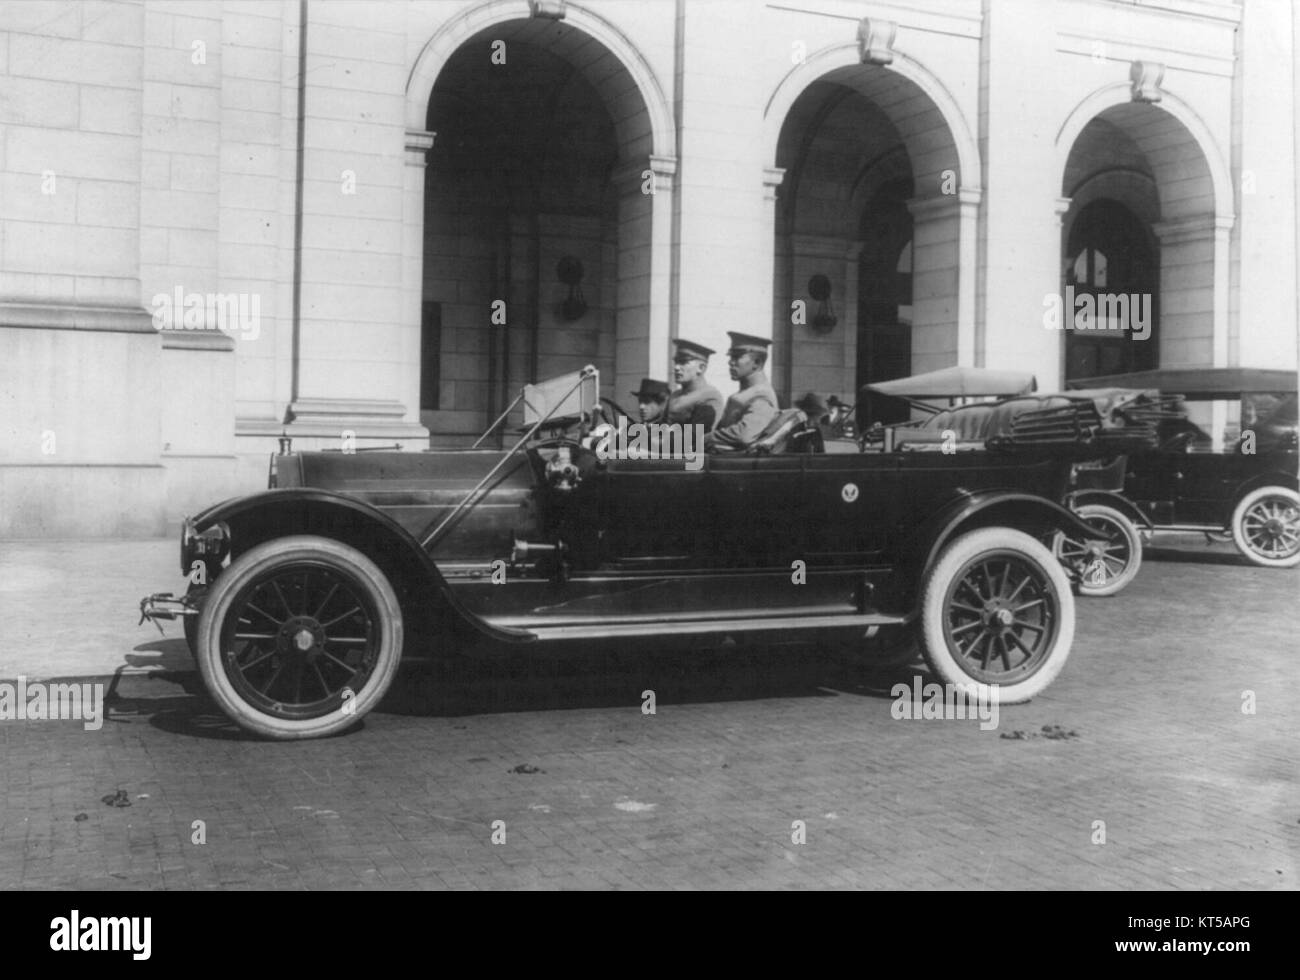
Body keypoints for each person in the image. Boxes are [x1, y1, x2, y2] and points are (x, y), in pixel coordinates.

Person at [705, 332, 779, 453]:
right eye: (731, 357)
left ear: (757, 363)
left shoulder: (762, 395)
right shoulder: (747, 394)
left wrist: (705, 439)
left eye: (736, 357)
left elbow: (744, 435)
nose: (730, 362)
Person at [666, 338, 724, 431]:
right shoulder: (675, 395)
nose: (676, 367)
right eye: (676, 362)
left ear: (701, 368)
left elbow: (695, 436)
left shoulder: (710, 397)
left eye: (683, 362)